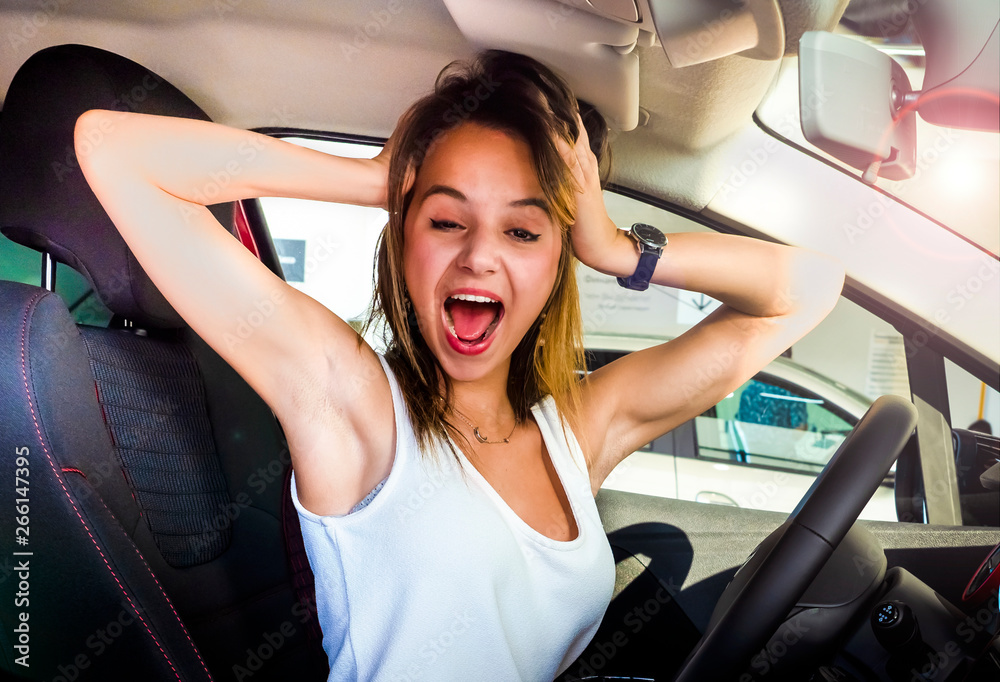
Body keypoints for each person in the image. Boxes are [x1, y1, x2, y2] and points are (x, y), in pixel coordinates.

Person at [75, 50, 845, 680]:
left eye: (523, 233)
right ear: (403, 239)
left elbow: (809, 289)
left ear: (556, 266)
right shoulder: (353, 402)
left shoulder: (581, 428)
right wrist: (377, 177)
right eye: (445, 220)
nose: (479, 256)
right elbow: (112, 151)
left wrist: (614, 247)